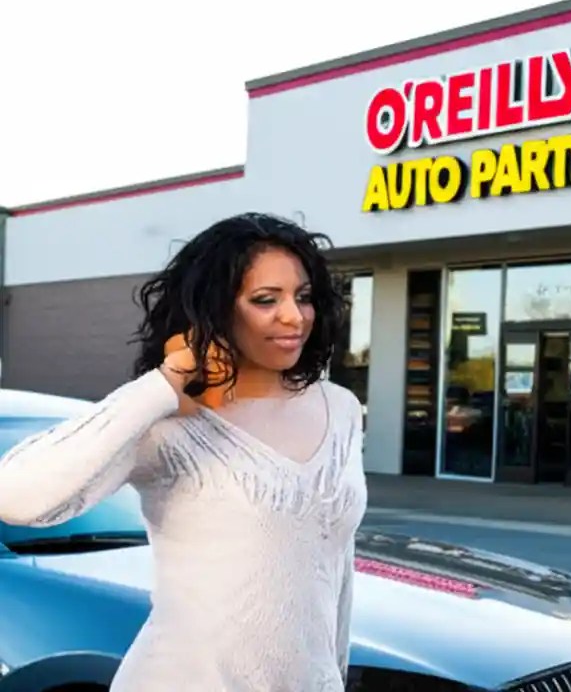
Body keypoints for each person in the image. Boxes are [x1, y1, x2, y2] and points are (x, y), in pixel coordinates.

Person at [0, 212, 368, 691]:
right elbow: (17, 497)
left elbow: (337, 569)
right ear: (214, 311)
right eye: (264, 300)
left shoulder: (338, 408)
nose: (294, 317)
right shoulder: (166, 427)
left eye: (302, 297)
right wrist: (166, 382)